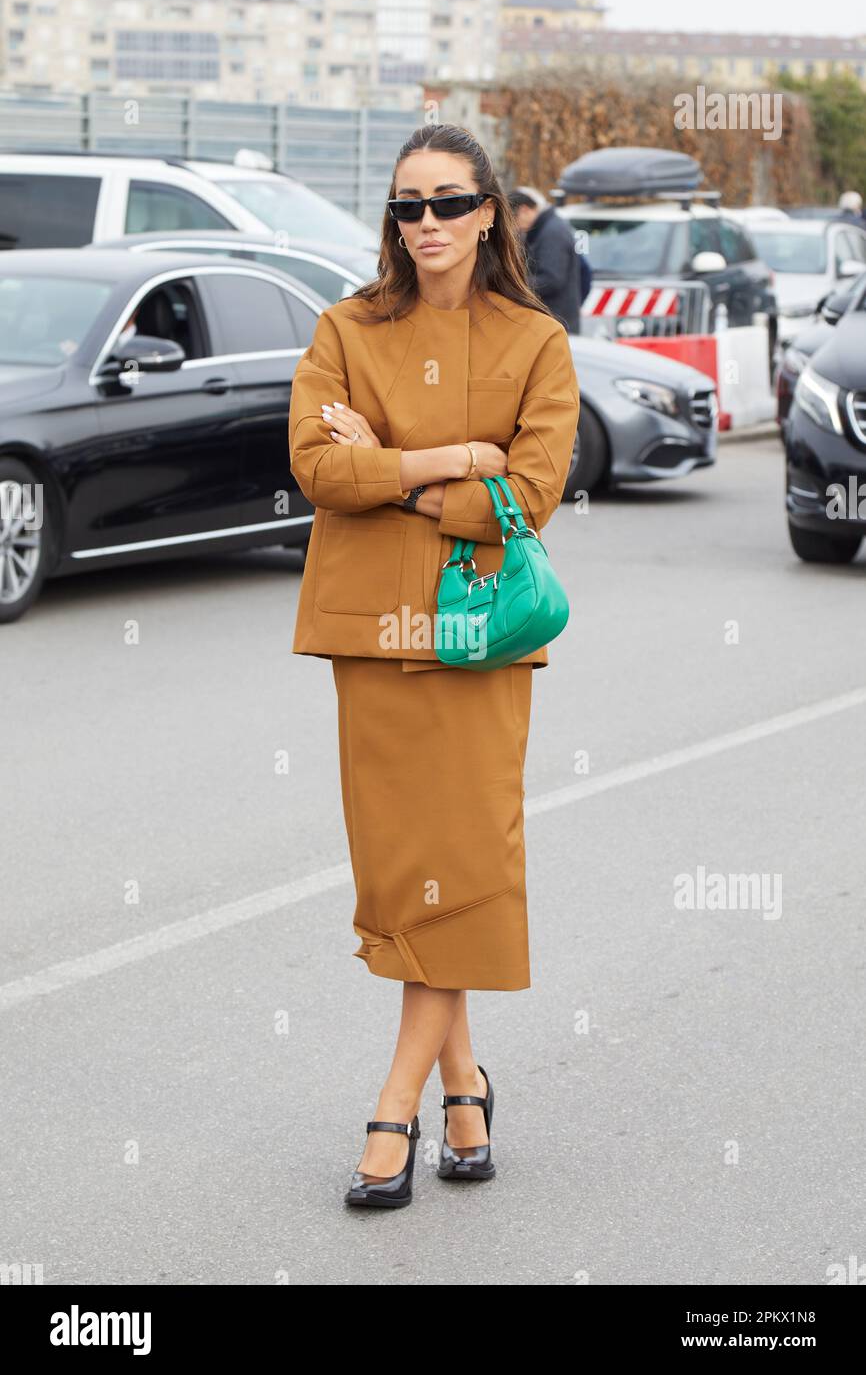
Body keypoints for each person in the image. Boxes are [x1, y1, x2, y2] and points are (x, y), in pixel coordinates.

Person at [288, 123, 580, 1210]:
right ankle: (466, 1083)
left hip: (480, 636)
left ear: (488, 212)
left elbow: (534, 492)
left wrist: (388, 471)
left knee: (460, 859)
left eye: (446, 203)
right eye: (406, 206)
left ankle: (395, 1101)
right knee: (400, 866)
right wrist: (453, 460)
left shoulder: (535, 343)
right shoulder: (343, 327)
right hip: (370, 635)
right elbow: (316, 465)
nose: (425, 226)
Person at [508, 185, 586, 333]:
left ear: (525, 210)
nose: (515, 226)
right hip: (555, 319)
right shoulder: (545, 229)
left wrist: (513, 285)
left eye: (514, 219)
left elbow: (551, 280)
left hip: (558, 321)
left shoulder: (552, 233)